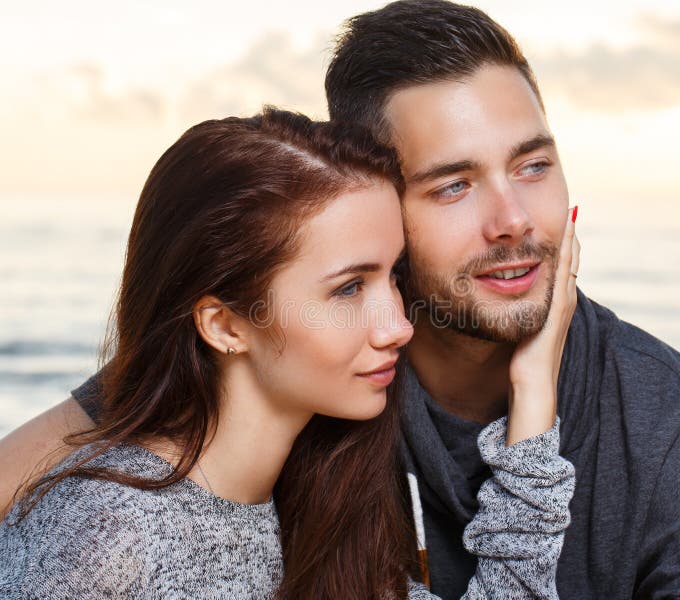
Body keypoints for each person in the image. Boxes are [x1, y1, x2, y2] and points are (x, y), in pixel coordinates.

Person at [0, 0, 680, 598]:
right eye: (454, 185)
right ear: (371, 204)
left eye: (533, 166)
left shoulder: (678, 429)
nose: (512, 221)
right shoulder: (291, 358)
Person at [0, 107, 578, 599]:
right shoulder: (104, 538)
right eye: (350, 288)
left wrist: (531, 390)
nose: (400, 326)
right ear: (225, 324)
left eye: (394, 277)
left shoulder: (318, 512)